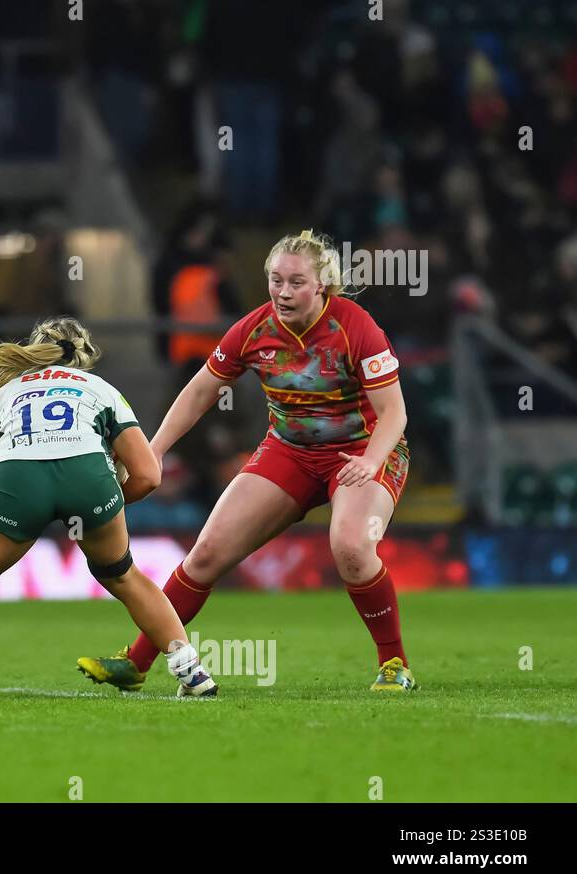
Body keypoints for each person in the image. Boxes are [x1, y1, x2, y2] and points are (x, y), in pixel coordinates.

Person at [77, 230, 416, 694]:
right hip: (290, 452)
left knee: (353, 548)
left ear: (323, 286)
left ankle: (394, 664)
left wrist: (372, 459)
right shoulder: (254, 329)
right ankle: (135, 664)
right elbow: (200, 392)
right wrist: (153, 450)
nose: (283, 291)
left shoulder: (355, 327)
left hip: (362, 450)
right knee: (207, 554)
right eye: (275, 280)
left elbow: (394, 412)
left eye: (296, 282)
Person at [0, 317, 218, 701]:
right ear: (83, 356)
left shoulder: (9, 391)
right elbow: (149, 475)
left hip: (18, 483)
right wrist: (111, 503)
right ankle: (191, 671)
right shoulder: (102, 390)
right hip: (90, 481)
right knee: (124, 577)